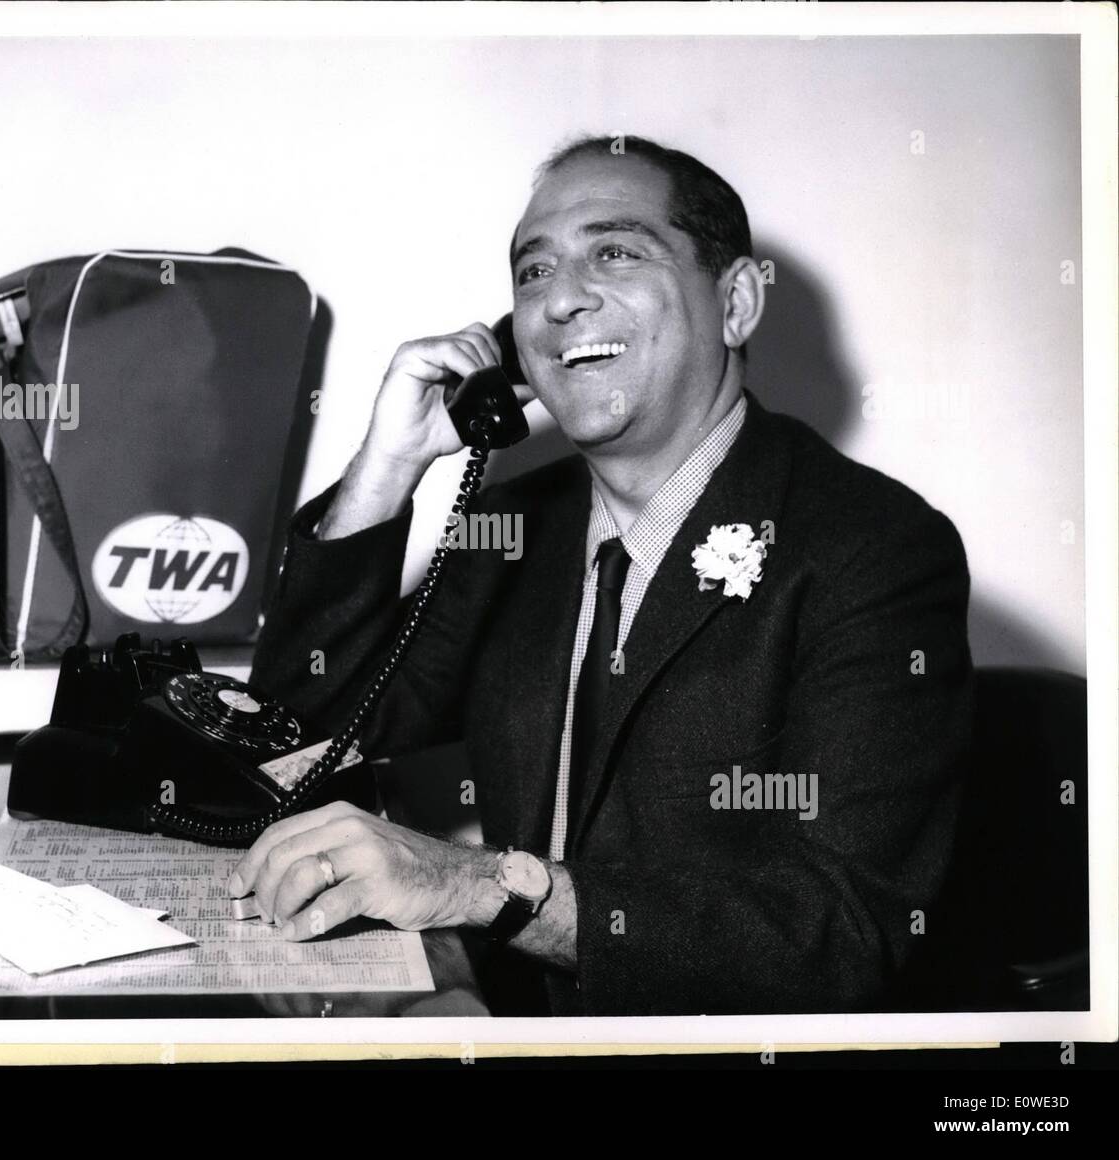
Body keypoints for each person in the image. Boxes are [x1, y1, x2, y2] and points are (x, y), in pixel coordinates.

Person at [225, 134, 974, 1016]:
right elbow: (296, 737)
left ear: (735, 302)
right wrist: (387, 470)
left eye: (613, 253)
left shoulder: (876, 551)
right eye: (532, 274)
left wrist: (478, 885)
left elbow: (845, 933)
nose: (562, 301)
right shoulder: (511, 529)